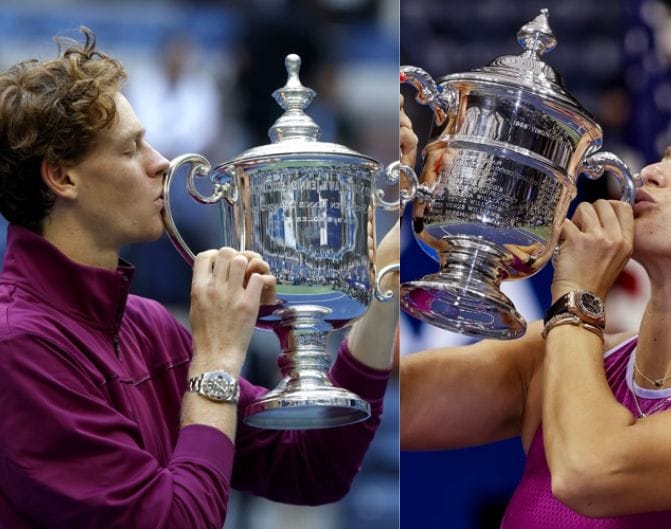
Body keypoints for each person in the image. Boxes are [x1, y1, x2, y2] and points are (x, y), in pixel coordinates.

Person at [0, 29, 399, 529]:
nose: (161, 162)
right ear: (62, 177)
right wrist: (216, 358)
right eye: (131, 149)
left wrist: (386, 282)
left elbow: (311, 467)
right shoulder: (17, 346)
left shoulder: (145, 325)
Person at [400, 95, 671, 527]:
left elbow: (589, 473)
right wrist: (387, 205)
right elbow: (386, 409)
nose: (650, 172)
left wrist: (576, 292)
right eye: (665, 158)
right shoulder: (551, 356)